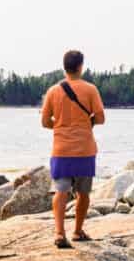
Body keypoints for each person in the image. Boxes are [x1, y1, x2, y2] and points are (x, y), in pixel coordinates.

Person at [40, 50, 106, 248]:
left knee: (61, 192)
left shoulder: (53, 91)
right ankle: (77, 231)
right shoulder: (90, 90)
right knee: (83, 194)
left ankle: (60, 233)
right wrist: (87, 122)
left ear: (64, 67)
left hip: (61, 150)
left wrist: (60, 126)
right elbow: (101, 118)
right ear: (81, 66)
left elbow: (44, 122)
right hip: (84, 150)